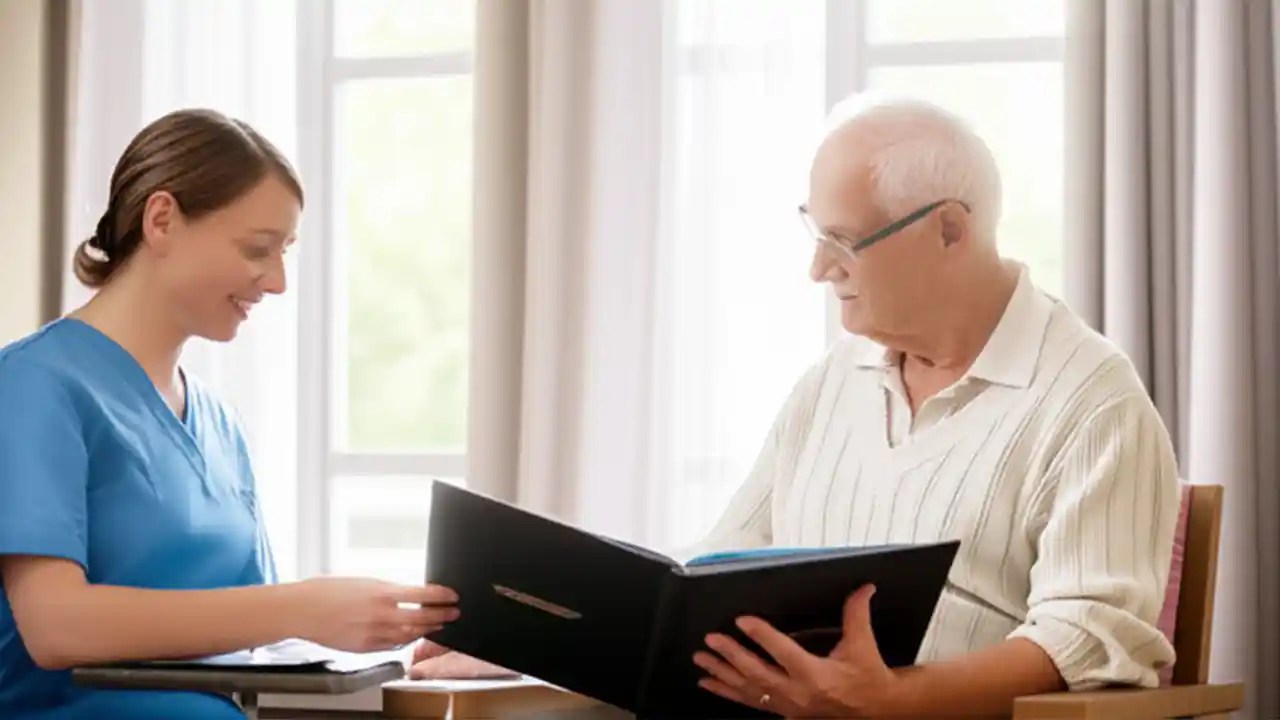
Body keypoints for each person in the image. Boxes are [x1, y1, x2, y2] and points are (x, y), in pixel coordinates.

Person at [412, 95, 1182, 718]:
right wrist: (542, 644)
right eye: (815, 234)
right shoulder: (831, 385)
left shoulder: (1088, 401)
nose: (819, 268)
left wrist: (890, 703)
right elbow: (702, 585)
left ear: (950, 229)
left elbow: (1092, 638)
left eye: (845, 242)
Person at [0, 108, 460, 719]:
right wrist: (301, 606)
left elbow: (246, 632)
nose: (277, 283)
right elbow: (55, 627)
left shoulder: (218, 425)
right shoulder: (34, 385)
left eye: (285, 253)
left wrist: (391, 634)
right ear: (161, 220)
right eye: (258, 249)